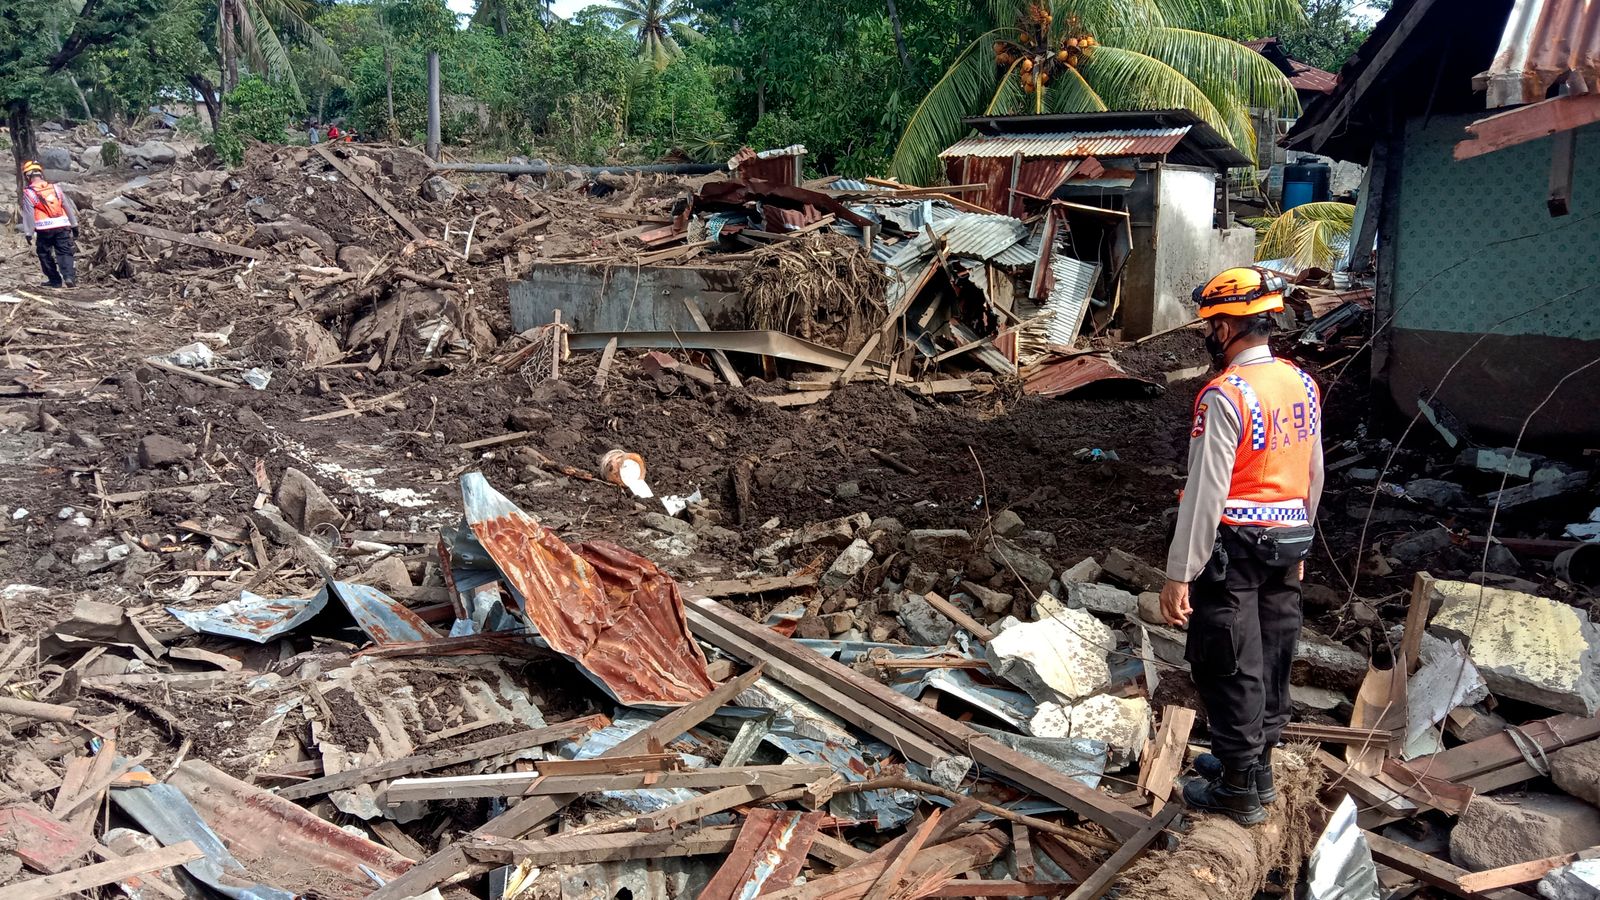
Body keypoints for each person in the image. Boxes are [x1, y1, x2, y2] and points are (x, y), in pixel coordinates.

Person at [1161, 266, 1324, 826]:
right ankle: (1258, 768)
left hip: (1233, 550)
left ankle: (1237, 789)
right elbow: (1312, 473)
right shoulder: (1301, 383)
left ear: (1229, 327)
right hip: (1287, 540)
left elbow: (1205, 493)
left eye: (1211, 326)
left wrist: (1180, 571)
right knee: (1275, 653)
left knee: (1227, 662)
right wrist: (1302, 544)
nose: (1207, 336)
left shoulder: (1225, 395)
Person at [18, 160, 81, 289]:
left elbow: (29, 214)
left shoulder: (29, 193)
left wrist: (29, 233)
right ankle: (69, 277)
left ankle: (55, 280)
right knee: (65, 252)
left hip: (44, 229)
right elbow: (66, 206)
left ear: (27, 176)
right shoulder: (55, 188)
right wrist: (74, 225)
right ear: (40, 174)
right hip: (62, 226)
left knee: (44, 254)